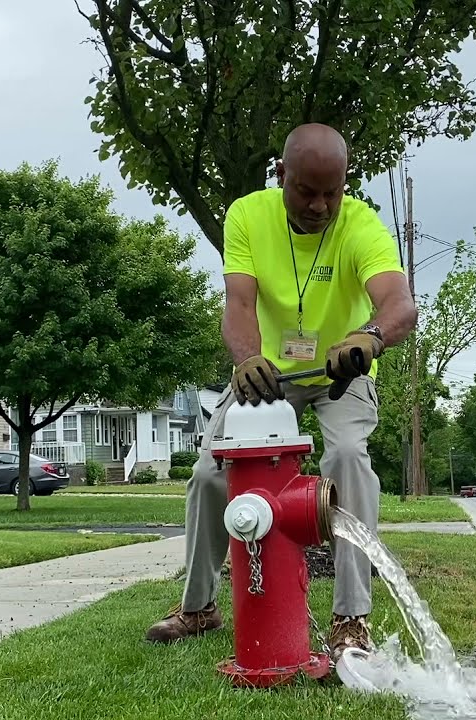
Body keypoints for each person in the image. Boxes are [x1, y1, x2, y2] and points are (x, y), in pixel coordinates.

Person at [145, 123, 418, 662]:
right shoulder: (248, 214)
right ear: (282, 177)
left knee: (346, 457)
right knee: (208, 473)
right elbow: (239, 305)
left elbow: (399, 304)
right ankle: (199, 606)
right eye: (306, 191)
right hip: (267, 375)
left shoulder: (362, 224)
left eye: (331, 193)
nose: (320, 206)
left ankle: (350, 618)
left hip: (343, 374)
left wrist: (370, 336)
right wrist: (247, 360)